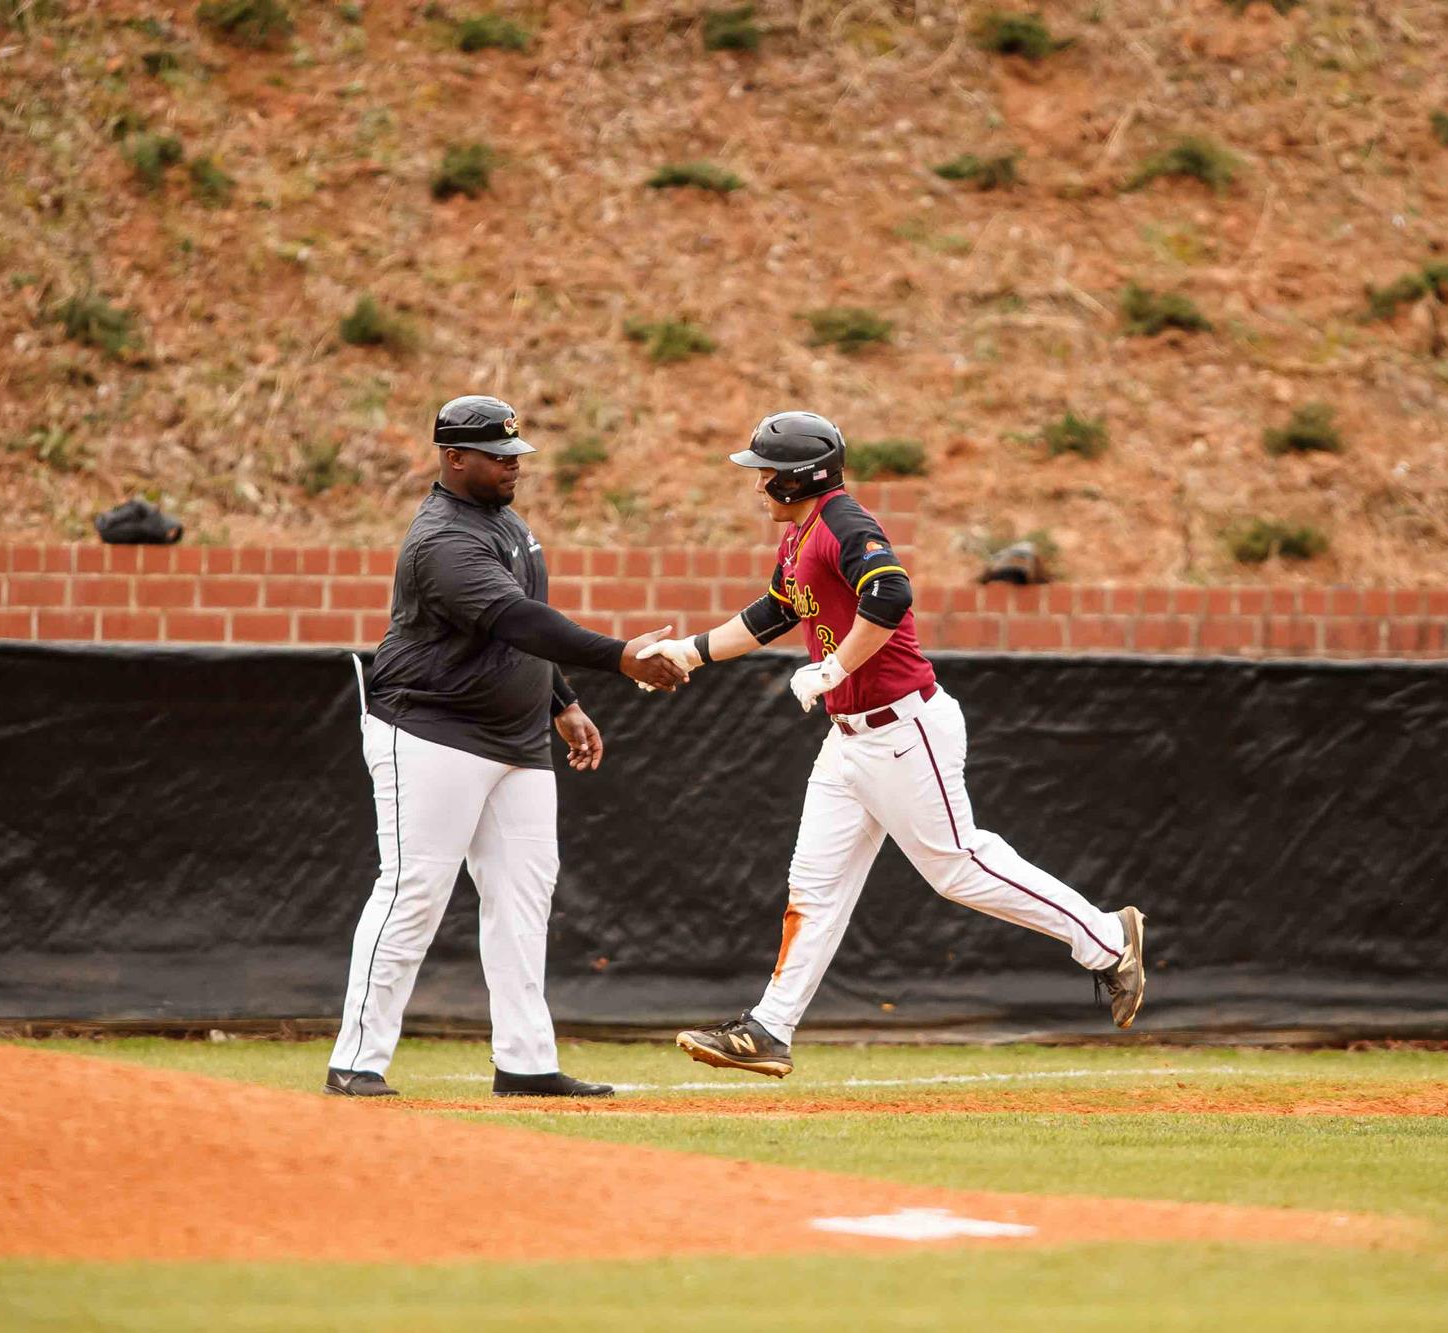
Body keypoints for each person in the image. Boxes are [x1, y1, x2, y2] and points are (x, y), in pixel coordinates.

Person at [637, 411, 1145, 1078]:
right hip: (849, 739)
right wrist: (690, 652)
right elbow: (774, 612)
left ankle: (1108, 938)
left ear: (797, 477)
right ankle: (769, 1028)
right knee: (813, 890)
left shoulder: (843, 522)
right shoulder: (799, 537)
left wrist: (834, 667)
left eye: (764, 474)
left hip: (903, 728)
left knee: (957, 866)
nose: (757, 485)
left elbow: (892, 594)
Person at [325, 395, 687, 1099]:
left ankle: (524, 1061)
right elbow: (516, 619)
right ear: (453, 457)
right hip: (431, 732)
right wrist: (618, 658)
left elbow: (521, 630)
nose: (512, 466)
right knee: (412, 890)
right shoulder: (442, 541)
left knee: (523, 900)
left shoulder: (503, 521)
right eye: (497, 455)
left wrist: (563, 702)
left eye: (516, 454)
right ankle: (356, 1060)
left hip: (516, 743)